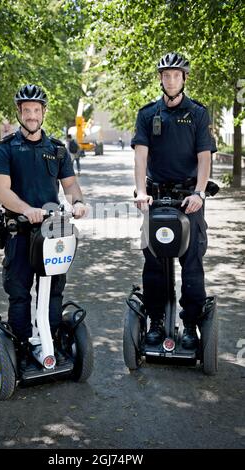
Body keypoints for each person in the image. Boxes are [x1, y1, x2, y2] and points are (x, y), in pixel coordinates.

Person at [0, 84, 88, 364]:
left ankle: (52, 343)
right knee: (19, 293)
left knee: (54, 290)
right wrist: (27, 209)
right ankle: (20, 349)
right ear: (19, 113)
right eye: (26, 110)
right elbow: (2, 191)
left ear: (43, 112)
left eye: (36, 110)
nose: (31, 115)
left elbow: (70, 185)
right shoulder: (5, 149)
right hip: (20, 232)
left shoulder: (56, 149)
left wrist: (78, 202)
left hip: (51, 233)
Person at [132, 52, 216, 349]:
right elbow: (141, 156)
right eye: (165, 75)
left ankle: (191, 324)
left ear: (184, 78)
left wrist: (200, 192)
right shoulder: (147, 114)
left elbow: (204, 158)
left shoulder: (197, 113)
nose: (170, 80)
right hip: (155, 200)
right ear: (160, 79)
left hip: (188, 199)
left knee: (191, 264)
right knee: (153, 263)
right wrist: (141, 191)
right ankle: (156, 322)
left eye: (175, 75)